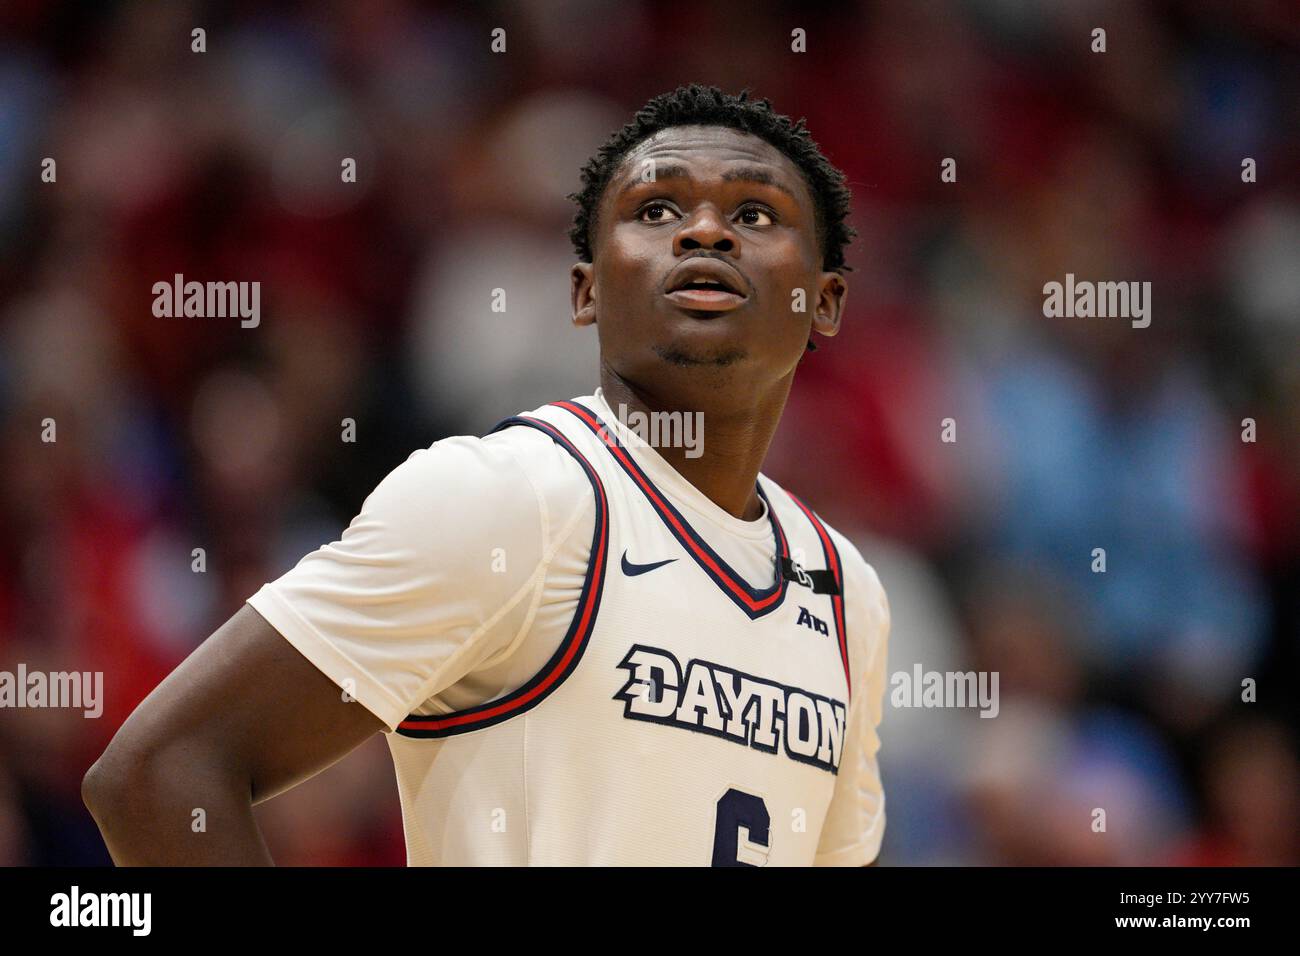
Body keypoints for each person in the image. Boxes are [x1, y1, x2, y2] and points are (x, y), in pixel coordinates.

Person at [83, 83, 891, 866]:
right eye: (655, 211)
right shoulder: (510, 500)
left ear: (824, 302)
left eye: (754, 214)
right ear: (586, 291)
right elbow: (159, 773)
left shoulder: (844, 589)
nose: (704, 233)